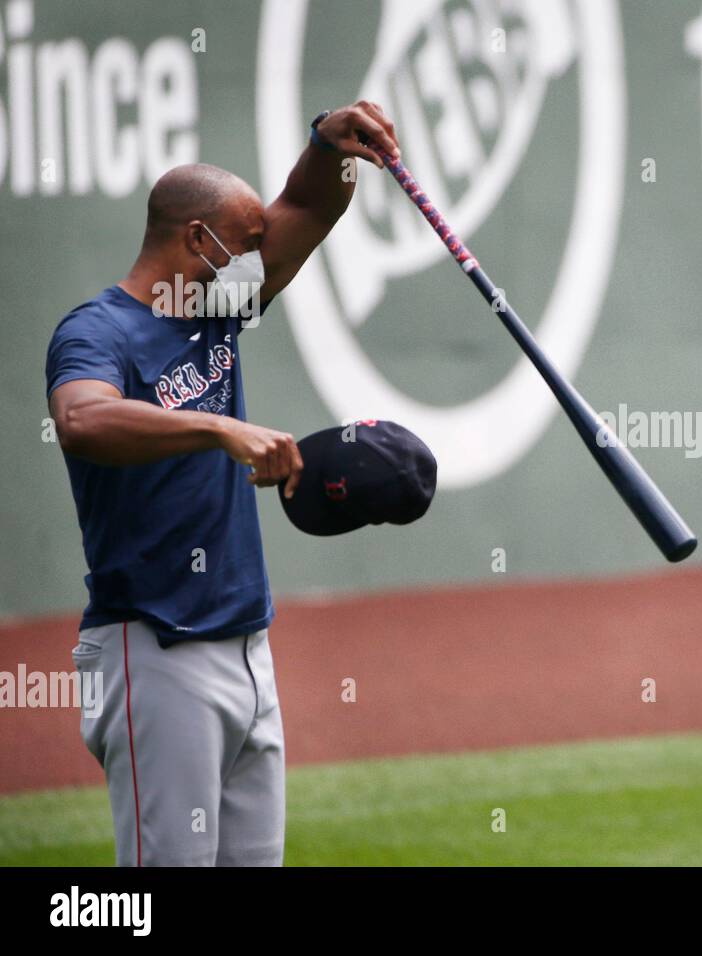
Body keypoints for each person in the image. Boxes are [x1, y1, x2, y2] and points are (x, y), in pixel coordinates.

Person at [45, 102, 402, 866]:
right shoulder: (95, 332)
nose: (257, 258)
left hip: (247, 645)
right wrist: (217, 427)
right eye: (244, 244)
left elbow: (305, 206)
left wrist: (328, 145)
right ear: (197, 241)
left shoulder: (216, 301)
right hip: (155, 644)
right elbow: (81, 420)